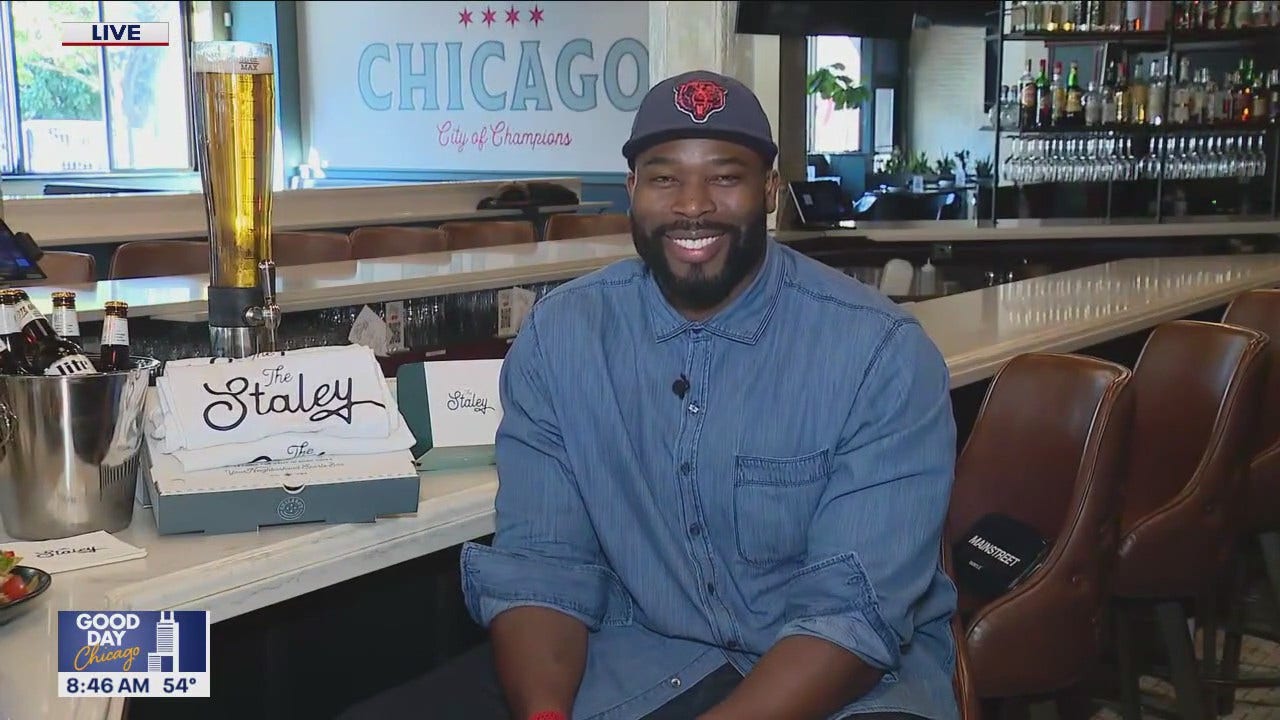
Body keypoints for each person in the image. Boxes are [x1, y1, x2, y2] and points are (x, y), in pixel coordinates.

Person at [340, 70, 959, 720]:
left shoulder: (880, 353)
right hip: (641, 661)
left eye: (725, 177)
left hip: (842, 687)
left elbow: (849, 619)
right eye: (665, 178)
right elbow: (545, 566)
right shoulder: (562, 338)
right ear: (632, 190)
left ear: (770, 190)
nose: (693, 205)